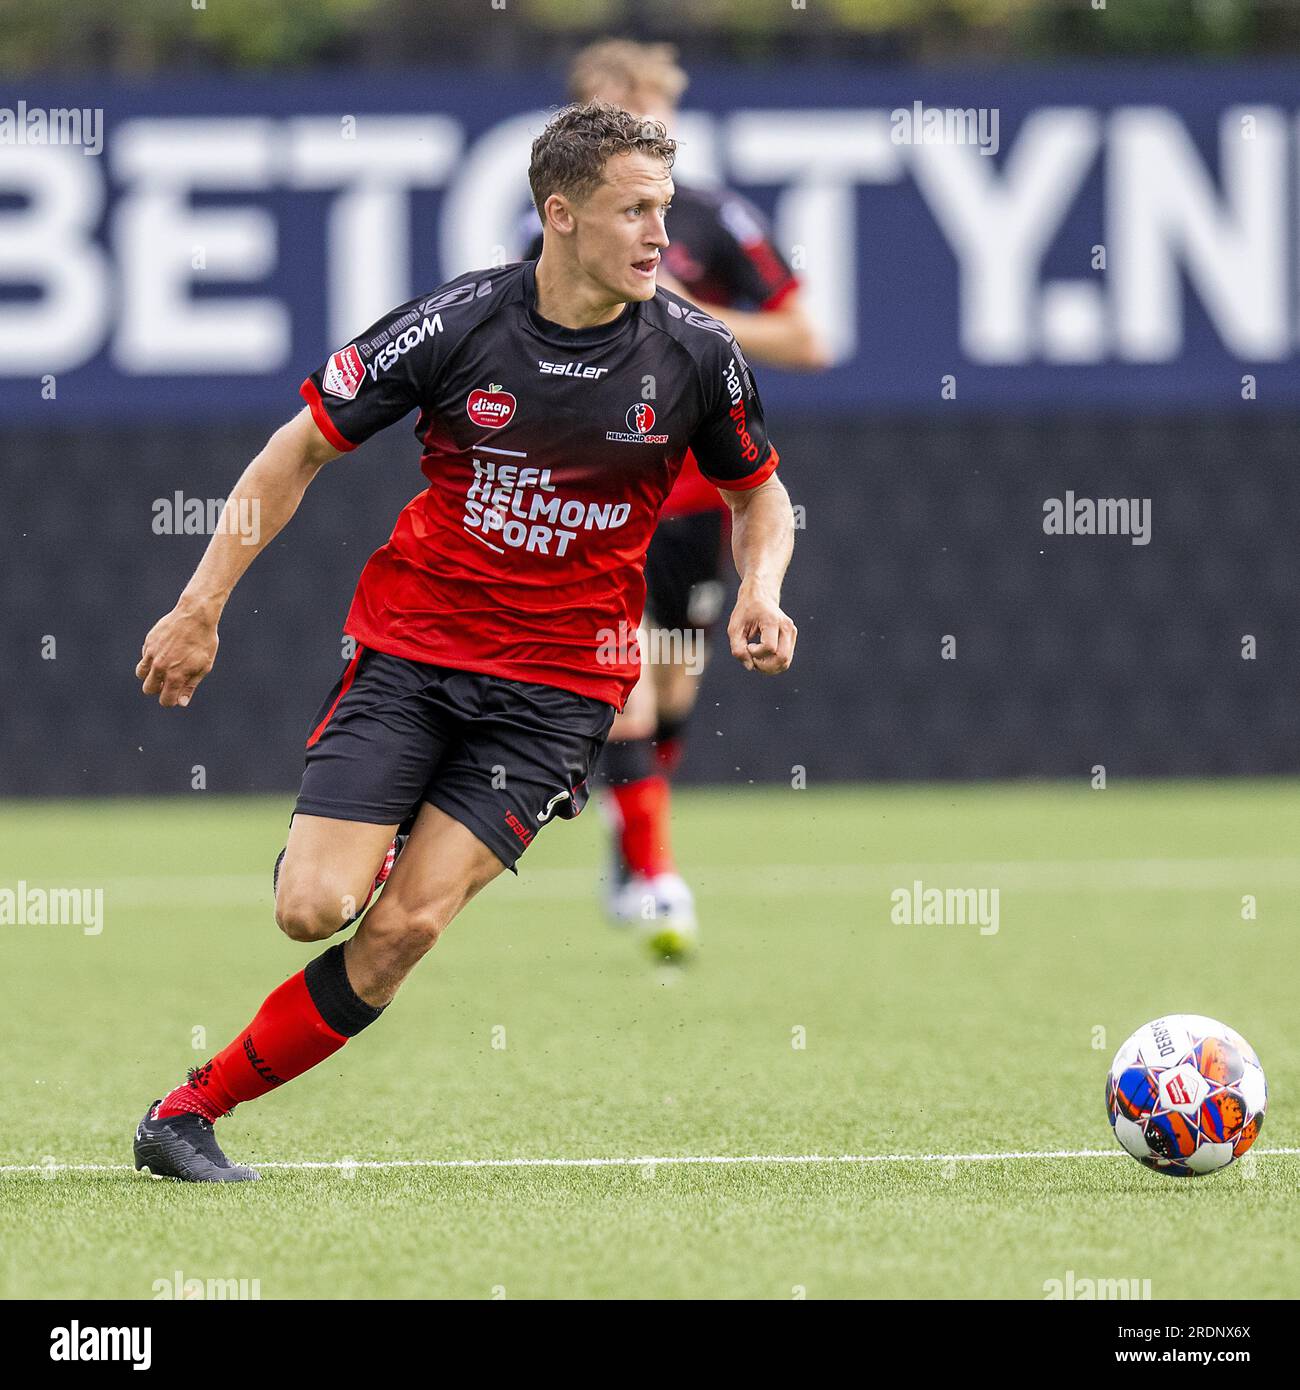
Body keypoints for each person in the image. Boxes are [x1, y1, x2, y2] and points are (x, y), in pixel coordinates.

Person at [131, 102, 797, 1182]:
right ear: (560, 212)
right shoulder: (456, 326)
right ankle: (356, 844)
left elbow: (760, 499)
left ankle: (188, 1111)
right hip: (413, 656)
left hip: (556, 692)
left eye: (663, 212)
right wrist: (200, 605)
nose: (656, 238)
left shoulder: (695, 354)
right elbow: (294, 451)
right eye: (634, 211)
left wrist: (761, 590)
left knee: (402, 931)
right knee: (314, 910)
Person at [522, 41, 828, 941]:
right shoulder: (557, 233)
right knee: (628, 692)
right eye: (614, 106)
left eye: (651, 106)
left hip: (696, 500)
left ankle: (629, 842)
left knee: (673, 690)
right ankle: (656, 875)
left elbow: (808, 340)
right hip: (606, 498)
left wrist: (687, 317)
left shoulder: (707, 220)